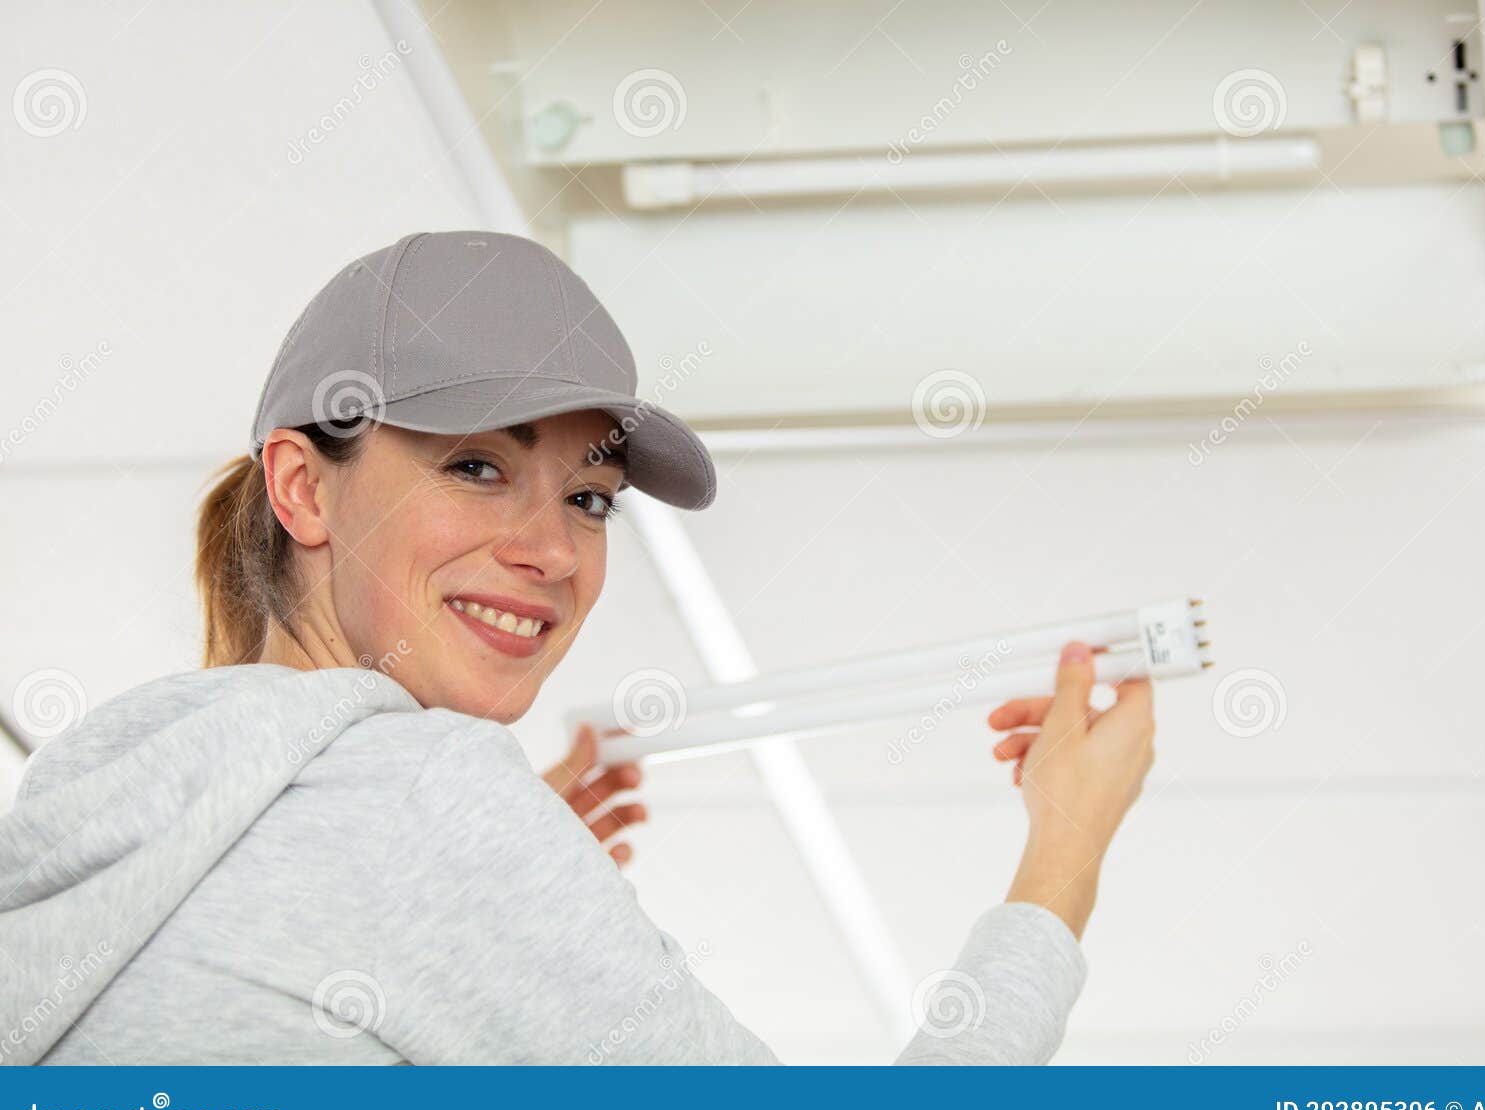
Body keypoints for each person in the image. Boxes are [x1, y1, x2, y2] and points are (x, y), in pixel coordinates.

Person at [0, 231, 1155, 1065]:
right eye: (477, 466)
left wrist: (502, 889)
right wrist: (1065, 850)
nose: (553, 551)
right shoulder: (422, 801)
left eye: (592, 499)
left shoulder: (113, 807)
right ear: (303, 487)